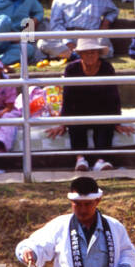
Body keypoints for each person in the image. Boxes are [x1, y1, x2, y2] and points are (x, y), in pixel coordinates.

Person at [50, 36, 128, 171]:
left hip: (102, 109)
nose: (90, 55)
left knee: (106, 125)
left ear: (98, 54)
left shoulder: (107, 68)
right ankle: (80, 159)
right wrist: (63, 123)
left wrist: (117, 121)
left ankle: (101, 160)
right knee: (75, 124)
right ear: (80, 54)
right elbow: (67, 98)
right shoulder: (71, 69)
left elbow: (114, 96)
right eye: (86, 52)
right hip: (79, 110)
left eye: (93, 52)